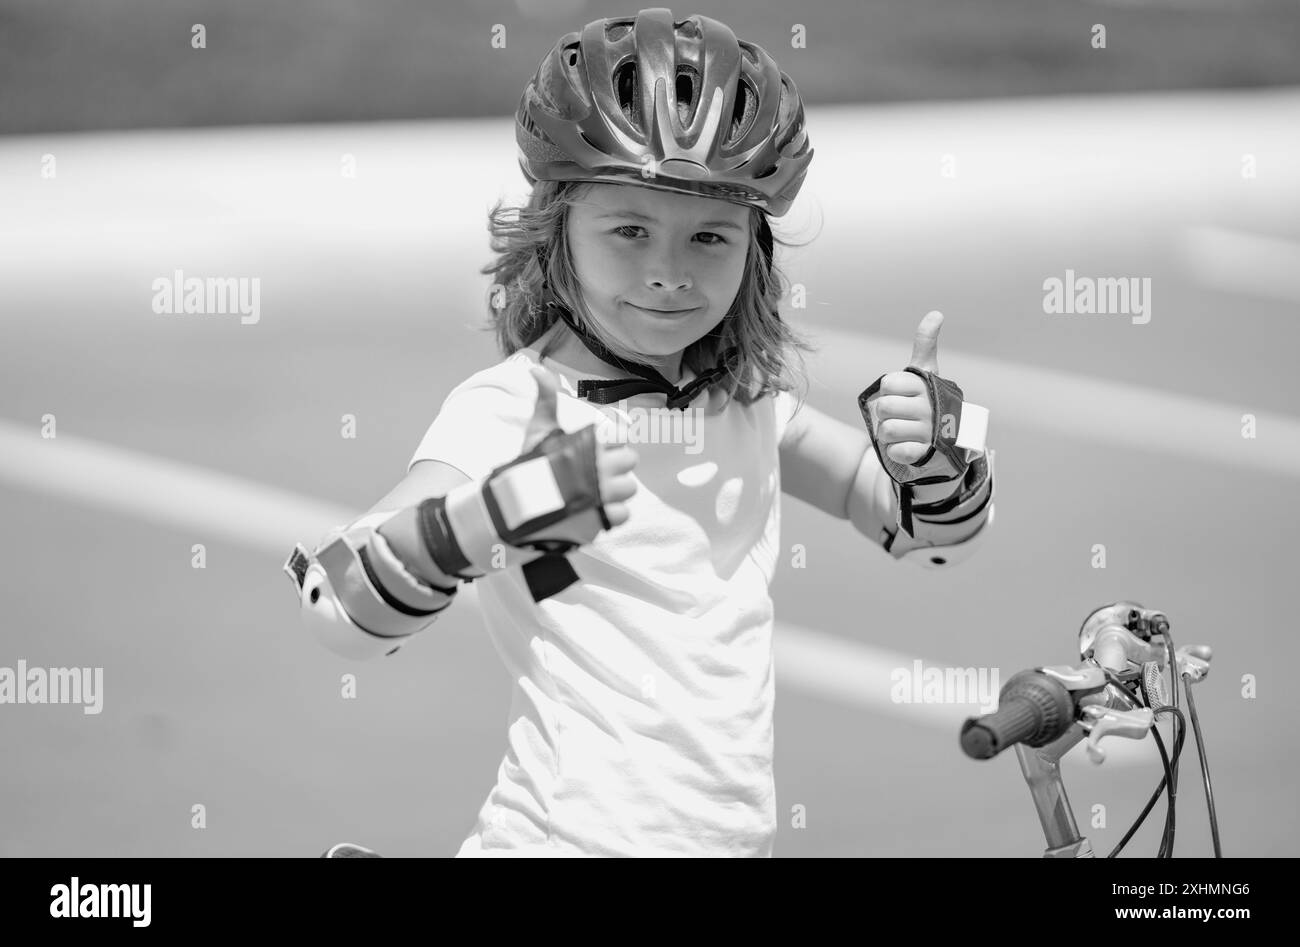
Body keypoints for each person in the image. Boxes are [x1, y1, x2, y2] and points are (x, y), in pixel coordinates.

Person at [285, 8, 995, 857]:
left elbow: (920, 528)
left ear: (756, 254)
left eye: (709, 237)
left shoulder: (742, 402)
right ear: (556, 234)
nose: (668, 271)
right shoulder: (514, 407)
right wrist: (486, 521)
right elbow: (340, 608)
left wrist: (934, 451)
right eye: (628, 230)